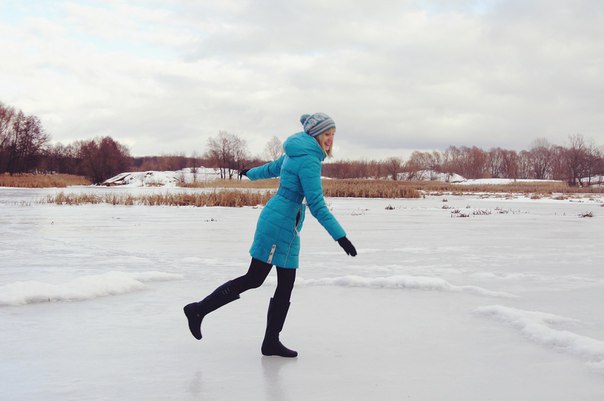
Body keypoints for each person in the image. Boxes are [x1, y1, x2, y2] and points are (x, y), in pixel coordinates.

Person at [183, 112, 357, 358]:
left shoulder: (297, 152)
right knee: (255, 278)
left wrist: (251, 173)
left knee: (285, 283)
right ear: (315, 134)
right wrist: (340, 237)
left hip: (284, 221)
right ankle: (198, 310)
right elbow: (316, 204)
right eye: (326, 134)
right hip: (280, 224)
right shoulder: (308, 159)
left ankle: (271, 342)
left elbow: (271, 168)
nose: (330, 139)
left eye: (333, 134)